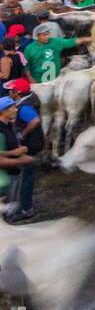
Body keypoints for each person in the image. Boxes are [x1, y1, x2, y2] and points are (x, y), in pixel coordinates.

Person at [1, 83, 41, 221]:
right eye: (12, 107)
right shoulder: (3, 129)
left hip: (12, 171)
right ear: (3, 111)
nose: (15, 110)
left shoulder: (9, 122)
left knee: (22, 185)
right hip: (7, 174)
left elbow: (35, 121)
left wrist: (17, 148)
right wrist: (19, 157)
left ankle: (21, 211)